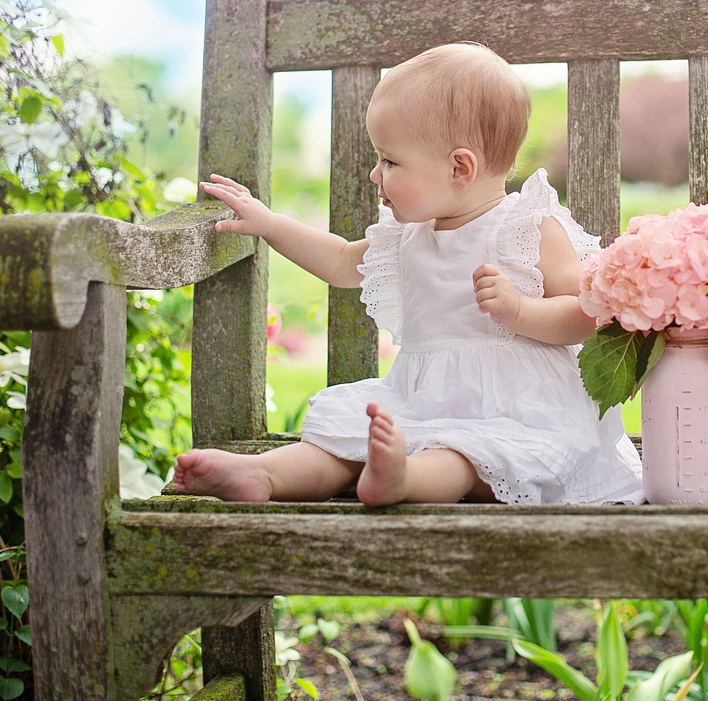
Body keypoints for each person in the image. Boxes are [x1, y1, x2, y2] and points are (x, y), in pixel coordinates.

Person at [173, 42, 643, 506]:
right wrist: (269, 224)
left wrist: (521, 310)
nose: (377, 174)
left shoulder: (525, 228)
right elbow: (339, 262)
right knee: (339, 443)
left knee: (462, 459)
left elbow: (583, 315)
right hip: (421, 401)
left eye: (390, 161)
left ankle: (403, 479)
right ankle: (264, 475)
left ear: (460, 167)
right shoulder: (408, 236)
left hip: (514, 412)